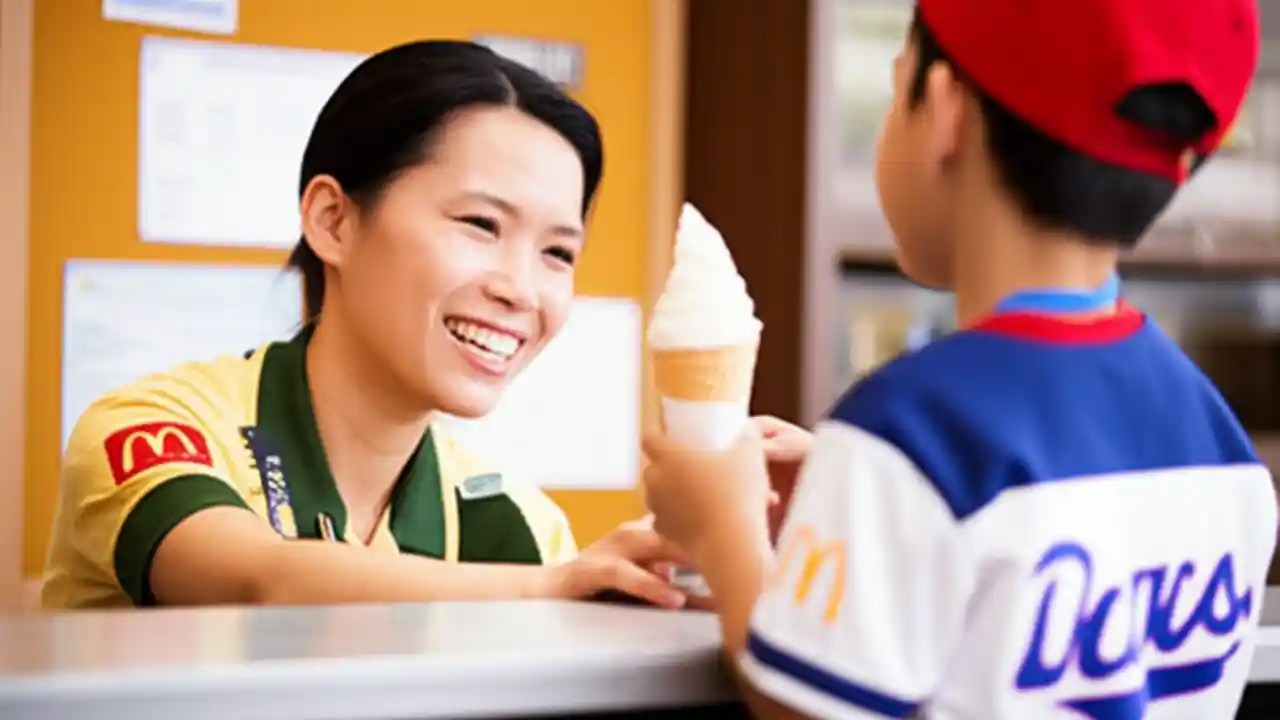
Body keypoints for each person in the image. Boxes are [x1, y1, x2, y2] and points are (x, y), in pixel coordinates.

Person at [642, 0, 1278, 718]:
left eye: (895, 88)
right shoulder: (1218, 438)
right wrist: (853, 497)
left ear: (944, 110)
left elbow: (804, 710)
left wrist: (722, 529)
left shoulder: (909, 427)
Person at [42, 40, 689, 611]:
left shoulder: (518, 525)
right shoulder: (151, 428)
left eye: (557, 253)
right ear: (333, 220)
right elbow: (261, 584)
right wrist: (549, 589)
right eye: (480, 225)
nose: (520, 289)